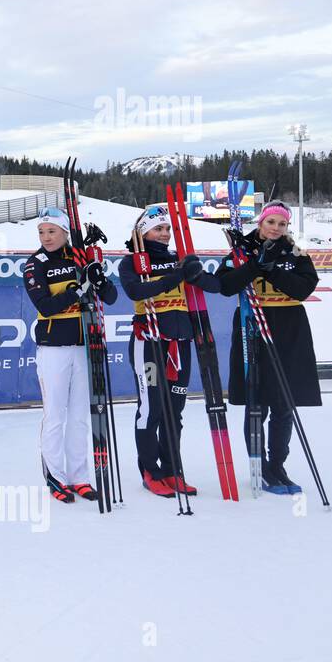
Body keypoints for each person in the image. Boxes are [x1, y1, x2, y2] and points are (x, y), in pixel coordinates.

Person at [216, 201, 320, 494]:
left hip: (290, 329)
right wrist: (253, 265)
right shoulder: (240, 249)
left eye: (281, 224)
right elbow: (225, 286)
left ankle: (278, 466)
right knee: (256, 402)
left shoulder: (295, 252)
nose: (276, 228)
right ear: (261, 223)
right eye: (270, 222)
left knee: (285, 403)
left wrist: (272, 269)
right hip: (253, 327)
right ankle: (258, 466)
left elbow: (303, 288)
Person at [118, 204, 220, 498]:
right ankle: (150, 471)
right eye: (157, 228)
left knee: (174, 412)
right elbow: (135, 292)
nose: (164, 234)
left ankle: (173, 470)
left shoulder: (180, 258)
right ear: (142, 232)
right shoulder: (133, 262)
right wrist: (176, 277)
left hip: (180, 343)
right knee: (150, 409)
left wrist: (197, 273)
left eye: (167, 229)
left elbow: (215, 286)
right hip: (148, 341)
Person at [22, 208, 117, 503]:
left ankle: (80, 477)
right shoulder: (34, 264)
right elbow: (47, 306)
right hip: (53, 348)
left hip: (85, 345)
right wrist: (78, 290)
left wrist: (97, 279)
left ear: (65, 232)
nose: (46, 237)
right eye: (41, 232)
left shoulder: (81, 258)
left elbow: (111, 298)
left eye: (52, 231)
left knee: (79, 417)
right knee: (55, 416)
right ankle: (56, 478)